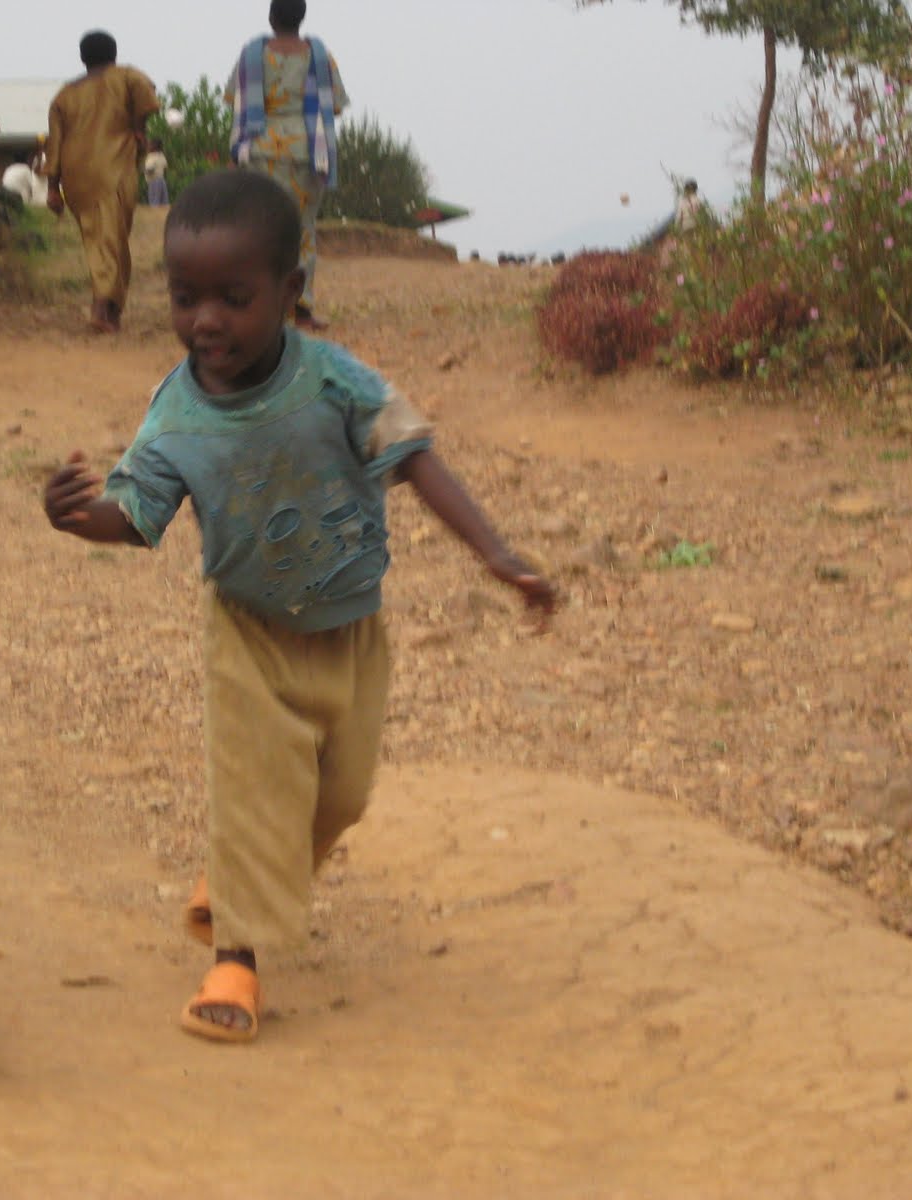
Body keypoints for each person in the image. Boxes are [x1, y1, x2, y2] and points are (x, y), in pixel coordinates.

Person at [41, 171, 556, 1044]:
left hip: (351, 630)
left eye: (234, 300)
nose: (206, 322)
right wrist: (78, 516)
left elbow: (416, 457)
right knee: (254, 793)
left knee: (343, 797)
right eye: (187, 299)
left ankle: (237, 879)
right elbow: (138, 518)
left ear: (289, 292)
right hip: (248, 631)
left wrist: (496, 553)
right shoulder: (176, 414)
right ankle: (235, 963)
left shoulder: (335, 382)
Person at [225, 0, 348, 331]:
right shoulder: (319, 56)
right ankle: (302, 309)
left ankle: (258, 307)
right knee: (303, 230)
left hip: (260, 149)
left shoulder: (251, 55)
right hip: (308, 151)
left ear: (270, 17)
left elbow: (235, 101)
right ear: (302, 18)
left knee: (261, 230)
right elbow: (334, 105)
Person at [44, 30, 160, 333]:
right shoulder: (125, 77)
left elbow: (53, 145)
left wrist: (52, 189)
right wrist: (137, 127)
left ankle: (112, 308)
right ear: (114, 54)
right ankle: (101, 306)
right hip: (113, 170)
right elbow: (148, 96)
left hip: (75, 176)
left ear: (82, 58)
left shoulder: (64, 95)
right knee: (109, 239)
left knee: (101, 238)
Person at [1, 138, 48, 209]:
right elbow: (33, 184)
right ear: (25, 159)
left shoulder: (9, 168)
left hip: (5, 196)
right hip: (18, 198)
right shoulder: (25, 169)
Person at [143, 137, 169, 207]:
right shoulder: (161, 155)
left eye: (149, 144)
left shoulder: (151, 156)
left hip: (154, 181)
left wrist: (142, 170)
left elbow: (150, 169)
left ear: (153, 146)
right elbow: (165, 169)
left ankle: (155, 217)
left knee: (154, 203)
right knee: (164, 203)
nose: (148, 146)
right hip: (162, 180)